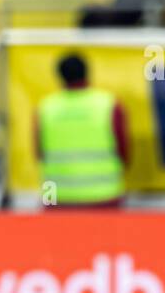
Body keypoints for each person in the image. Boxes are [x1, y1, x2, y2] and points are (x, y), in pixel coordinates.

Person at [34, 54, 129, 208]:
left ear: (60, 75)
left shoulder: (46, 108)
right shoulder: (109, 104)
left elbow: (39, 153)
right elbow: (124, 151)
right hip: (104, 196)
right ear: (87, 72)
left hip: (55, 197)